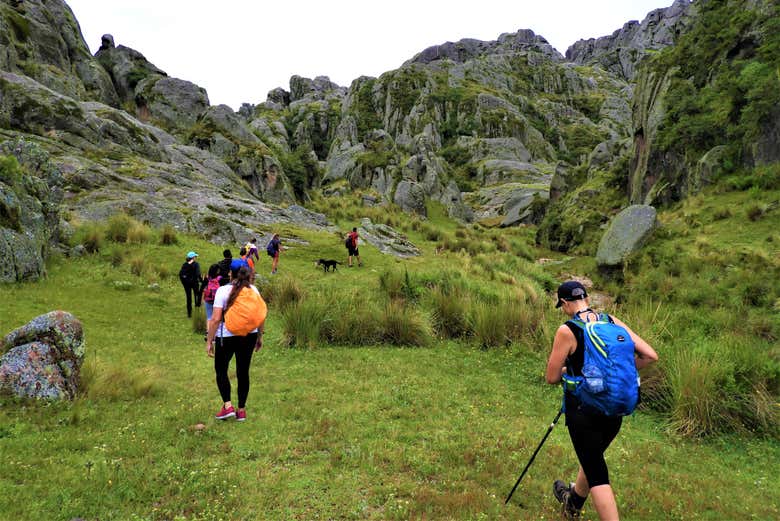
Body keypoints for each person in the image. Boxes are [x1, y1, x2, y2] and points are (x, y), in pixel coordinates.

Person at [545, 280, 658, 520]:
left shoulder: (567, 330)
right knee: (592, 458)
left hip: (583, 411)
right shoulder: (612, 321)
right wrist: (618, 371)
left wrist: (569, 371)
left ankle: (582, 505)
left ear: (565, 303)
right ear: (585, 297)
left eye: (562, 306)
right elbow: (650, 356)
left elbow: (552, 377)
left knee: (597, 472)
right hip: (615, 409)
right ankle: (573, 501)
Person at [205, 261, 267, 422]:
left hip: (226, 336)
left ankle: (227, 406)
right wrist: (259, 336)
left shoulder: (223, 290)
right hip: (249, 335)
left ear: (230, 274)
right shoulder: (253, 290)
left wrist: (209, 341)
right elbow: (260, 315)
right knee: (243, 371)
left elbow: (216, 319)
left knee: (221, 370)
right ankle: (241, 410)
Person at [178, 251, 201, 318]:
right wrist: (202, 281)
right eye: (195, 257)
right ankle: (197, 311)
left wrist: (185, 283)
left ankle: (189, 314)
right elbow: (198, 274)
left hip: (187, 284)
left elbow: (181, 274)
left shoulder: (184, 265)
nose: (196, 258)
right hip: (195, 283)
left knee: (188, 297)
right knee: (196, 296)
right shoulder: (196, 264)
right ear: (193, 257)